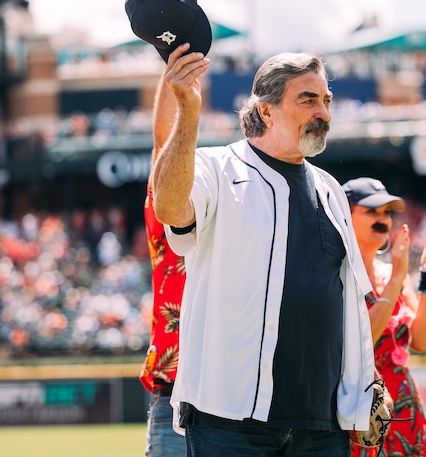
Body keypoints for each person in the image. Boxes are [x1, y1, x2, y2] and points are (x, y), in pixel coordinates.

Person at [151, 45, 378, 457]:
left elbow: (348, 304)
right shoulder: (216, 168)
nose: (323, 113)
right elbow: (168, 207)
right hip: (231, 420)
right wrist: (188, 113)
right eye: (307, 100)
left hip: (322, 422)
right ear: (267, 111)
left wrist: (365, 385)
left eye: (326, 100)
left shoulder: (330, 189)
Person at [343, 177, 426, 457]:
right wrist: (396, 280)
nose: (382, 219)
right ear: (345, 213)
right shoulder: (338, 274)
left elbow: (421, 340)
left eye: (387, 213)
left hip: (404, 406)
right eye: (371, 211)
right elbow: (360, 340)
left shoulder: (394, 273)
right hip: (359, 411)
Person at [140, 68, 188, 456]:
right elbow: (162, 143)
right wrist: (175, 60)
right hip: (174, 392)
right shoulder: (169, 230)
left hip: (239, 401)